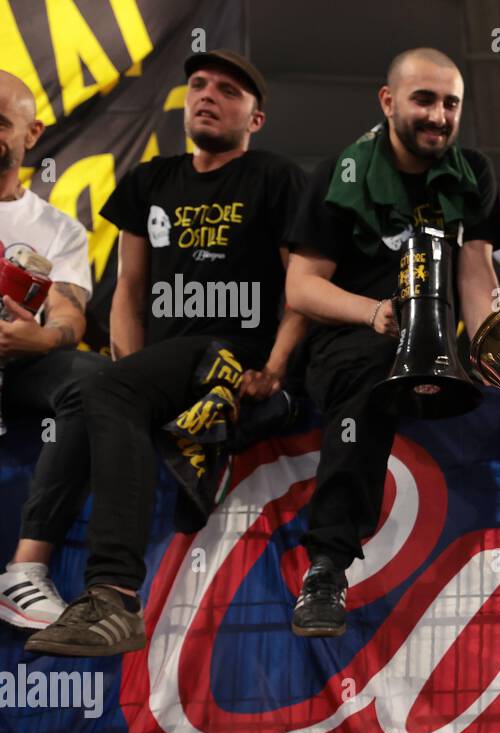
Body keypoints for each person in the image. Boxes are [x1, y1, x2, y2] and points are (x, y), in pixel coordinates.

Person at [25, 50, 308, 657]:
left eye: (229, 91)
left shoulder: (275, 177)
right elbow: (128, 289)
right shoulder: (149, 181)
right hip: (170, 360)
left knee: (107, 388)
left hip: (239, 352)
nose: (207, 95)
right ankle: (201, 444)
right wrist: (127, 371)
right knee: (109, 384)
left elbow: (300, 289)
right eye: (199, 85)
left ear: (255, 119)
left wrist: (277, 368)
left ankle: (114, 597)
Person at [284, 48, 500, 637]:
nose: (438, 115)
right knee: (378, 366)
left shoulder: (473, 171)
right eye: (424, 100)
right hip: (351, 342)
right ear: (388, 102)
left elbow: (476, 269)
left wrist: (492, 348)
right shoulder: (340, 172)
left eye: (451, 103)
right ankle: (328, 565)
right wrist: (375, 312)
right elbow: (301, 288)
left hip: (440, 349)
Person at [0, 70, 102, 630]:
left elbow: (66, 312)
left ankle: (25, 571)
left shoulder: (57, 228)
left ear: (30, 133)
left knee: (94, 377)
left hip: (19, 364)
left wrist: (38, 336)